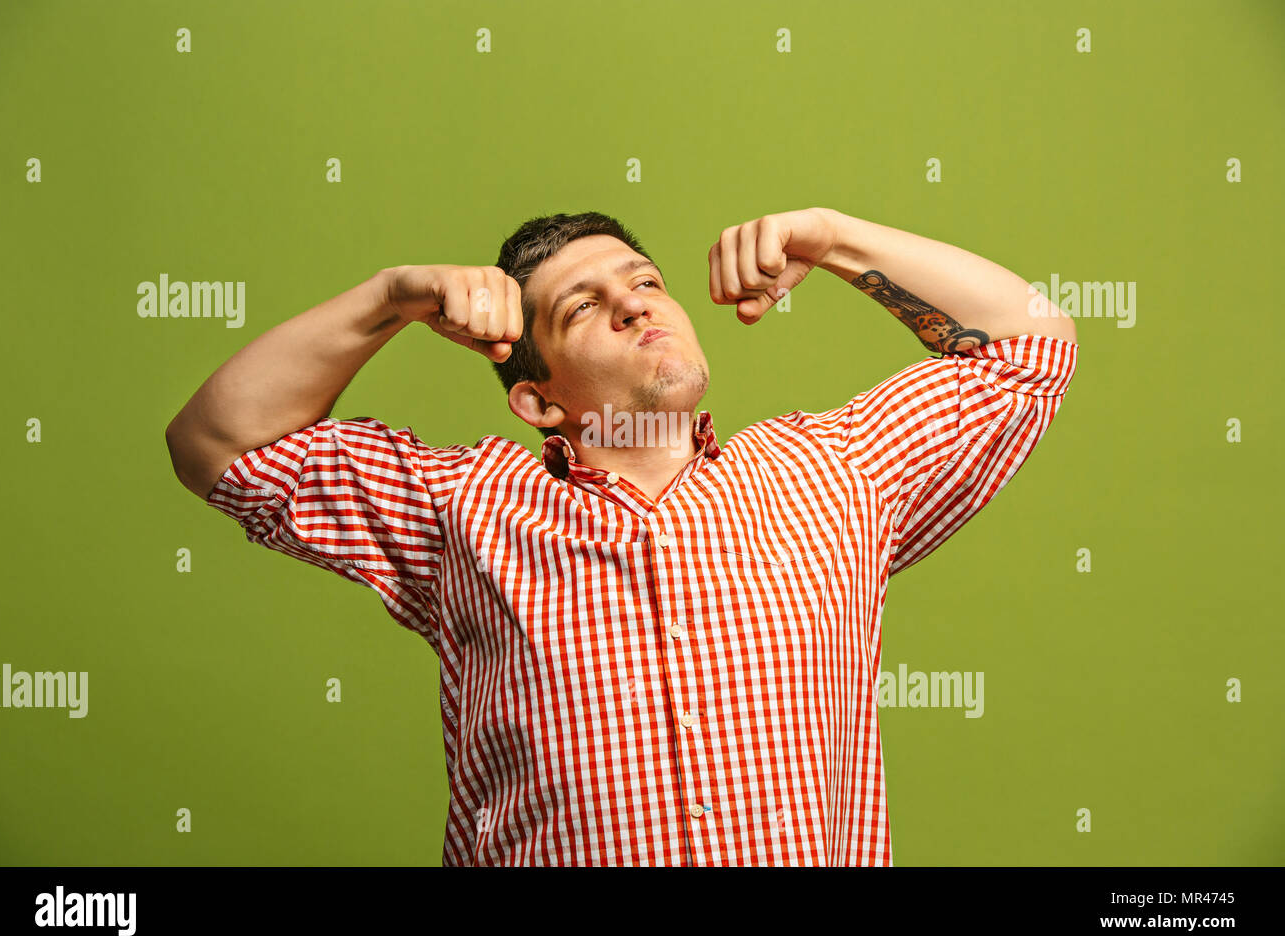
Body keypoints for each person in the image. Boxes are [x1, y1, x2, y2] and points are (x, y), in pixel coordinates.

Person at [164, 206, 1078, 865]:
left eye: (645, 283)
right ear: (538, 399)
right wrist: (389, 299)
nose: (637, 304)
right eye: (583, 307)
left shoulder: (834, 472)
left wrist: (835, 239)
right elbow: (216, 440)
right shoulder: (464, 508)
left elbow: (1029, 345)